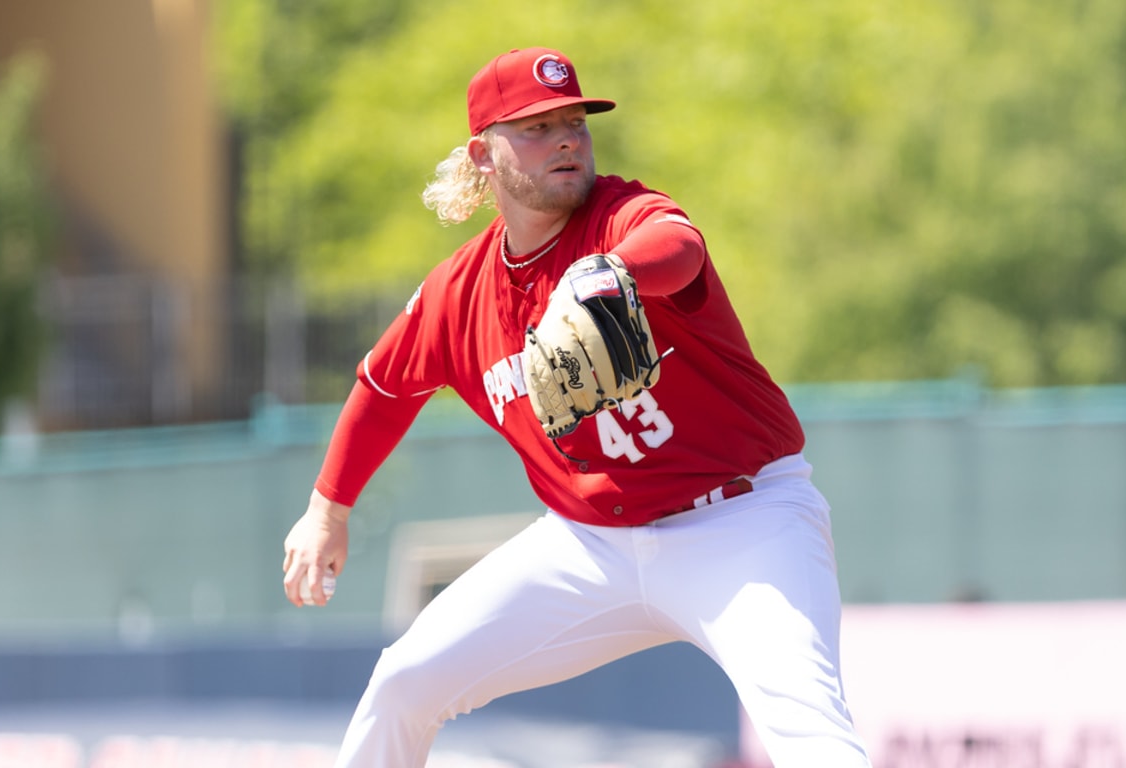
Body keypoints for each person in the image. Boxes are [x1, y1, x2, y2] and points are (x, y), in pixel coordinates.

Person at [281, 47, 871, 767]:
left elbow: (680, 247)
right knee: (403, 682)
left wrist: (613, 270)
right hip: (590, 546)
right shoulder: (458, 294)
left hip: (742, 522)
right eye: (535, 127)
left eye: (574, 122)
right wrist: (327, 509)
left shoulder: (621, 217)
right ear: (483, 154)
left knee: (811, 736)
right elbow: (383, 389)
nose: (565, 137)